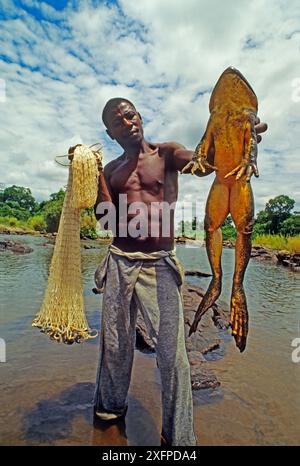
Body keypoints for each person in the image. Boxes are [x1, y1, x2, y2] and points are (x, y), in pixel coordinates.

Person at [69, 98, 267, 446]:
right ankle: (109, 416)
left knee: (172, 356)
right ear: (110, 133)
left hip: (160, 263)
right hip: (119, 261)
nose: (126, 122)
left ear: (139, 117)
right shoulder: (113, 170)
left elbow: (206, 164)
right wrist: (92, 170)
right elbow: (105, 220)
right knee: (114, 347)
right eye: (117, 122)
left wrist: (240, 137)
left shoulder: (168, 154)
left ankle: (179, 439)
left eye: (129, 114)